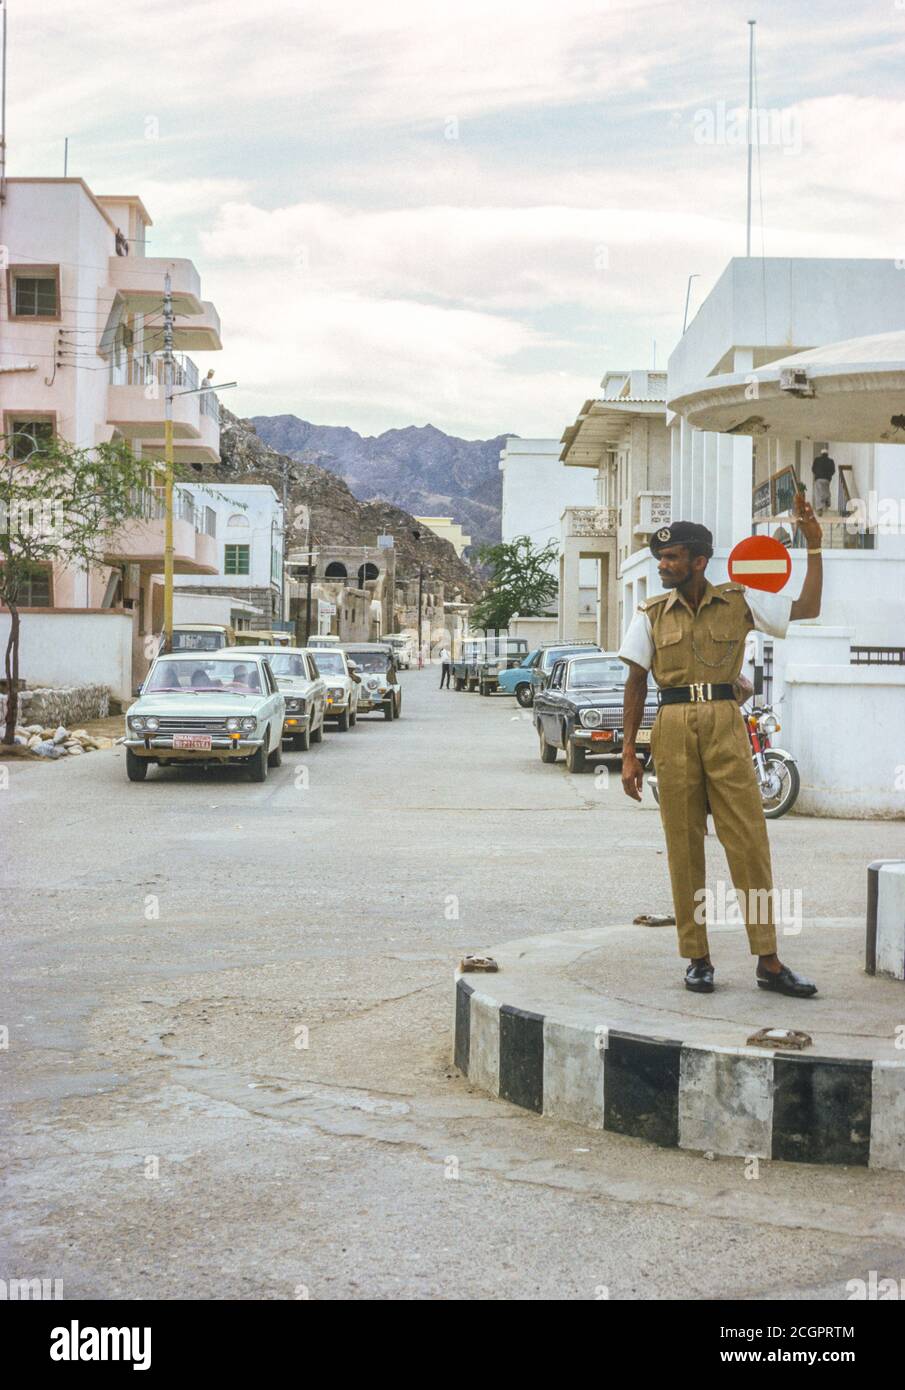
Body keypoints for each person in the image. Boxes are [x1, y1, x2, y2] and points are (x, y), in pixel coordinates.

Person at [619, 496, 824, 998]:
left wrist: (814, 549)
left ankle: (769, 962)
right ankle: (697, 959)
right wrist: (629, 753)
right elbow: (635, 683)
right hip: (671, 725)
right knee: (683, 845)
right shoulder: (649, 613)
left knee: (749, 841)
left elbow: (808, 608)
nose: (664, 565)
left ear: (699, 561)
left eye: (672, 558)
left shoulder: (740, 600)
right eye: (660, 558)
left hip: (725, 725)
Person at [811, 447, 836, 515]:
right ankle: (827, 501)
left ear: (821, 454)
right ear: (827, 454)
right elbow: (833, 471)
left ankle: (819, 509)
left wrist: (817, 474)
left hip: (818, 479)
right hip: (827, 479)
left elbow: (813, 469)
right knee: (826, 490)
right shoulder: (831, 461)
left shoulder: (817, 460)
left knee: (818, 493)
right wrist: (828, 476)